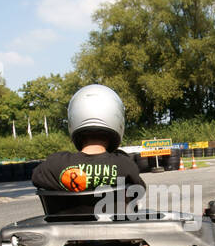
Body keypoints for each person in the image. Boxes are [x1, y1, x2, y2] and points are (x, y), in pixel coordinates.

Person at [31, 84, 145, 212]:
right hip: (113, 230)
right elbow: (139, 191)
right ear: (117, 120)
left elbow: (36, 178)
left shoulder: (53, 165)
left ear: (73, 121)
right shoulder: (124, 164)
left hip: (67, 231)